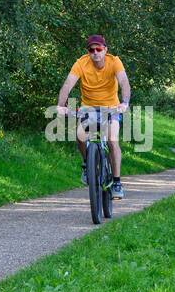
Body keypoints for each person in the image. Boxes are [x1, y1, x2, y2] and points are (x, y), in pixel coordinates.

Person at [55, 34, 130, 199]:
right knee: (80, 136)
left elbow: (124, 82)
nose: (95, 52)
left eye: (99, 49)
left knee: (112, 140)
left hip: (111, 108)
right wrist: (61, 105)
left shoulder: (114, 61)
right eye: (91, 50)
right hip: (88, 108)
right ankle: (87, 165)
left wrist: (124, 103)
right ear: (88, 52)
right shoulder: (81, 63)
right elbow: (68, 84)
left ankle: (117, 182)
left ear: (105, 50)